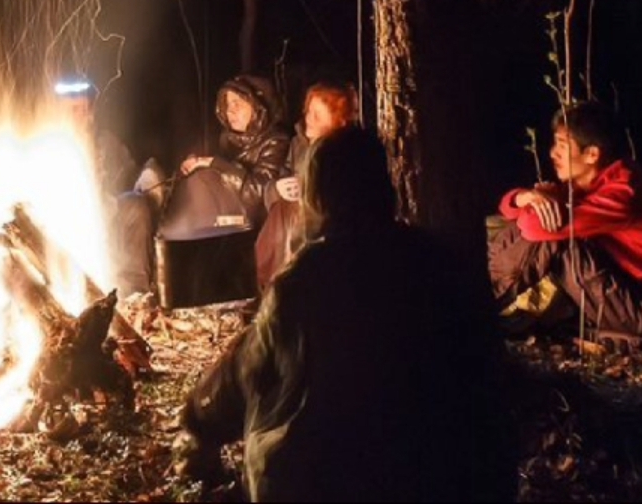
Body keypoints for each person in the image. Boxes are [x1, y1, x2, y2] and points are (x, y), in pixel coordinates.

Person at [174, 126, 515, 502]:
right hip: (446, 481)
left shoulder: (304, 282)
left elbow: (245, 373)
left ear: (318, 198)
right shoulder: (440, 262)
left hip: (323, 484)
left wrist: (195, 421)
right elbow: (489, 377)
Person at [489, 101, 642, 345]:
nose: (552, 153)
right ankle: (484, 296)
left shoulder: (621, 196)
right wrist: (526, 197)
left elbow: (536, 229)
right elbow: (506, 208)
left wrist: (536, 205)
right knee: (503, 224)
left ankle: (485, 304)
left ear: (592, 154)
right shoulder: (584, 186)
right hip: (625, 296)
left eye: (562, 146)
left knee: (558, 239)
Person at [112, 74, 289, 297]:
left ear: (257, 107)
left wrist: (212, 163)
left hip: (254, 219)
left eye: (237, 104)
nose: (230, 111)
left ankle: (174, 250)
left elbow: (257, 192)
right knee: (191, 181)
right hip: (223, 218)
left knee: (201, 180)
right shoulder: (229, 139)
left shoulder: (275, 140)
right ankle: (166, 245)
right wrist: (199, 164)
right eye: (226, 104)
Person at [254, 82, 356, 291]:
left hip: (324, 235)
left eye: (317, 116)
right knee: (281, 211)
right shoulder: (297, 145)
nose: (308, 119)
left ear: (339, 120)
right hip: (289, 227)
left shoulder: (347, 153)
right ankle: (267, 284)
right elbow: (274, 186)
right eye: (308, 112)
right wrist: (277, 189)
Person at [53, 75, 136, 210]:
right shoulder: (48, 149)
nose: (82, 116)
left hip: (106, 220)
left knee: (134, 205)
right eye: (74, 109)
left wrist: (146, 175)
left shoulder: (107, 143)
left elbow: (130, 175)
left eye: (85, 109)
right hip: (61, 216)